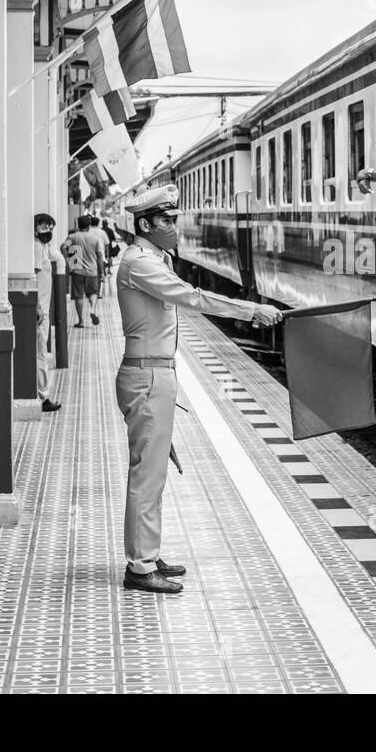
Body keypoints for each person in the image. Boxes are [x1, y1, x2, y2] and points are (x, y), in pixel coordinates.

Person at [115, 184, 282, 594]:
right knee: (148, 475)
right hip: (147, 376)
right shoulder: (140, 263)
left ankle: (147, 554)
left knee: (153, 473)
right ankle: (139, 567)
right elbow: (192, 297)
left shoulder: (153, 258)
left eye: (174, 219)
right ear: (145, 224)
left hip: (154, 374)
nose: (174, 226)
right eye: (166, 221)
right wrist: (250, 309)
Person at [33, 214, 61, 413]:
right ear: (35, 228)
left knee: (41, 352)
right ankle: (43, 397)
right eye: (43, 227)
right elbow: (32, 278)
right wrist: (37, 307)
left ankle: (42, 394)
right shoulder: (35, 247)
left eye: (50, 227)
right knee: (40, 354)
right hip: (40, 312)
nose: (47, 231)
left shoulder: (42, 247)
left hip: (42, 310)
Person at [61, 214, 106, 328]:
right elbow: (100, 256)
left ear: (78, 225)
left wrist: (68, 260)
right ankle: (92, 310)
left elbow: (63, 247)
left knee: (78, 297)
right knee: (93, 293)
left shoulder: (73, 237)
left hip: (77, 270)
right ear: (89, 226)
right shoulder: (95, 238)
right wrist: (102, 272)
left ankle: (81, 321)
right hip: (92, 271)